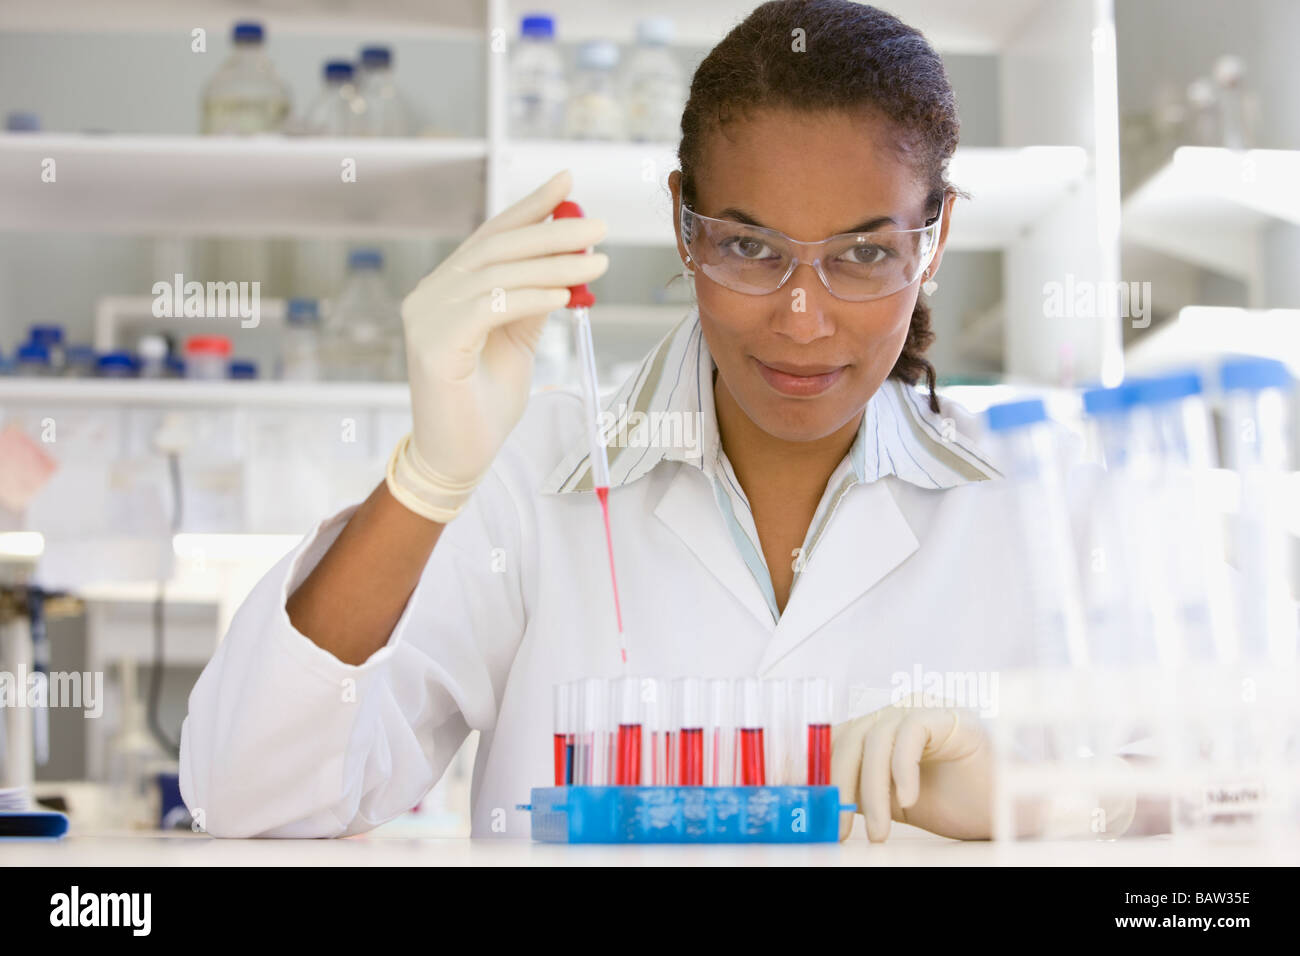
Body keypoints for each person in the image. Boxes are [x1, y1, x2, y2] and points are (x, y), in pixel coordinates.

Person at [180, 0, 1139, 842]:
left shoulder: (1045, 501)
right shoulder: (534, 480)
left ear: (934, 242)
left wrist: (1038, 803)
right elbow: (252, 795)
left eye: (862, 255)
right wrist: (427, 480)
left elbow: (1232, 813)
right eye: (751, 246)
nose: (801, 318)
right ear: (685, 223)